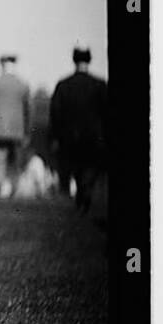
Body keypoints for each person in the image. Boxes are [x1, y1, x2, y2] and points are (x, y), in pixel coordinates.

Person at [49, 42, 108, 215]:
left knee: (76, 167)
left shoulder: (63, 85)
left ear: (73, 60)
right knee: (90, 167)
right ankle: (86, 190)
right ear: (89, 60)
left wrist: (55, 136)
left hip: (70, 137)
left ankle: (82, 191)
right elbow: (107, 113)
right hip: (94, 137)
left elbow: (55, 113)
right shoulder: (99, 85)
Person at [0, 53, 31, 200]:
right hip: (17, 130)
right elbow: (29, 109)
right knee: (14, 161)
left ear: (2, 65)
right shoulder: (23, 84)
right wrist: (26, 131)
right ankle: (14, 187)